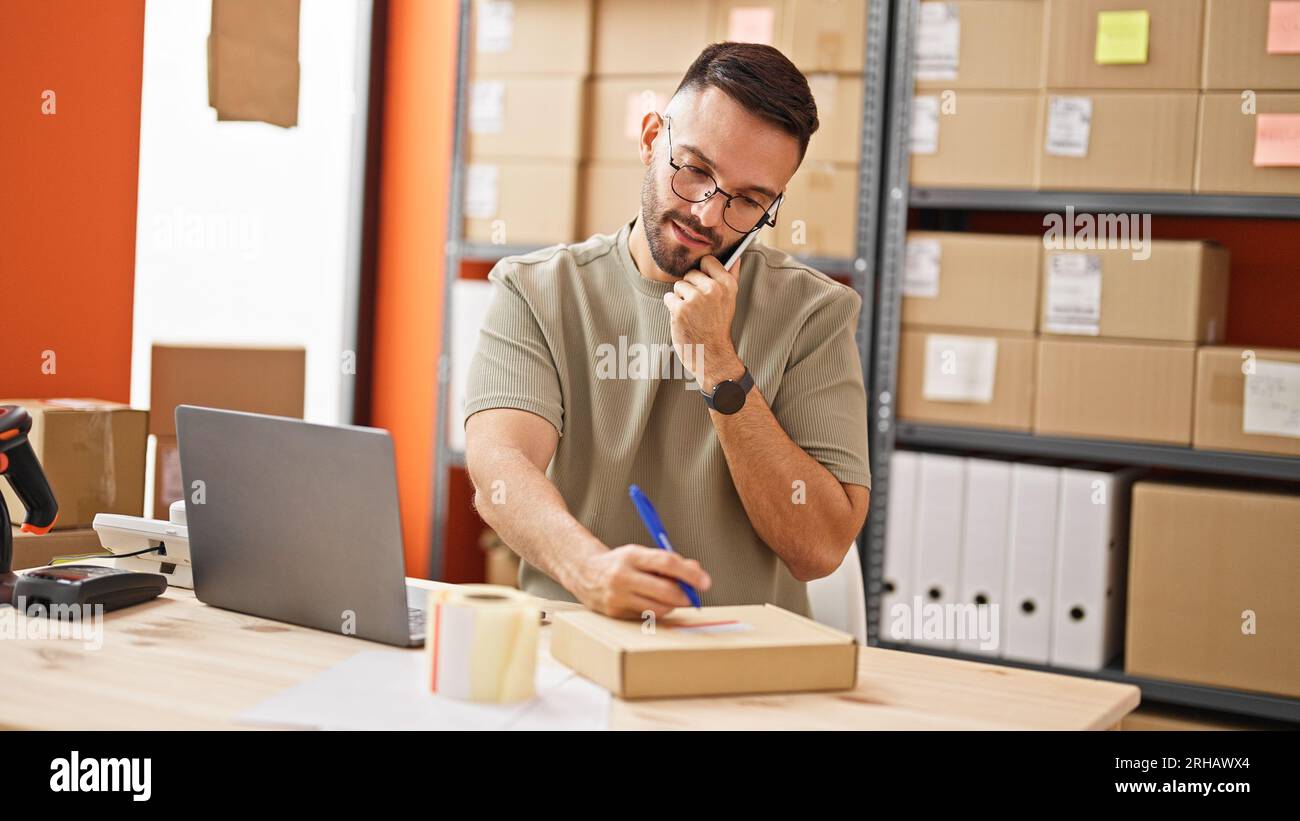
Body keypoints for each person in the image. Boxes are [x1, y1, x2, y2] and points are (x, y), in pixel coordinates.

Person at [463, 42, 870, 620]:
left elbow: (821, 547)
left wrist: (718, 365)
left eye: (748, 201)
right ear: (653, 137)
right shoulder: (537, 289)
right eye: (696, 170)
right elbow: (501, 467)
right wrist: (590, 571)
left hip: (741, 674)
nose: (708, 214)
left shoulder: (815, 314)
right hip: (577, 647)